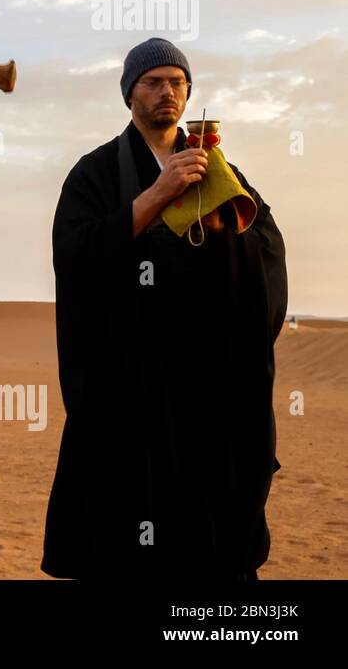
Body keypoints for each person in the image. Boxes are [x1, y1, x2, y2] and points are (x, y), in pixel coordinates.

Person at [42, 37, 287, 580]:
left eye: (177, 82)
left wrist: (229, 231)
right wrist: (158, 194)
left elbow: (266, 254)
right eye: (153, 82)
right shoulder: (96, 173)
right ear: (130, 94)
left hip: (208, 397)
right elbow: (75, 253)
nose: (166, 92)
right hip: (129, 395)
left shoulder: (221, 172)